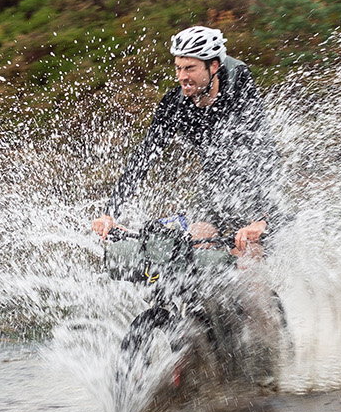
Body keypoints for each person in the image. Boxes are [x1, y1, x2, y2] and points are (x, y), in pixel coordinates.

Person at [91, 25, 282, 257]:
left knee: (247, 258)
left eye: (190, 68)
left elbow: (262, 152)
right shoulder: (174, 104)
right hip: (215, 194)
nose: (182, 77)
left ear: (213, 66)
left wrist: (260, 218)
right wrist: (110, 213)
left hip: (259, 199)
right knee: (193, 248)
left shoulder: (238, 86)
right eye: (178, 68)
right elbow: (144, 157)